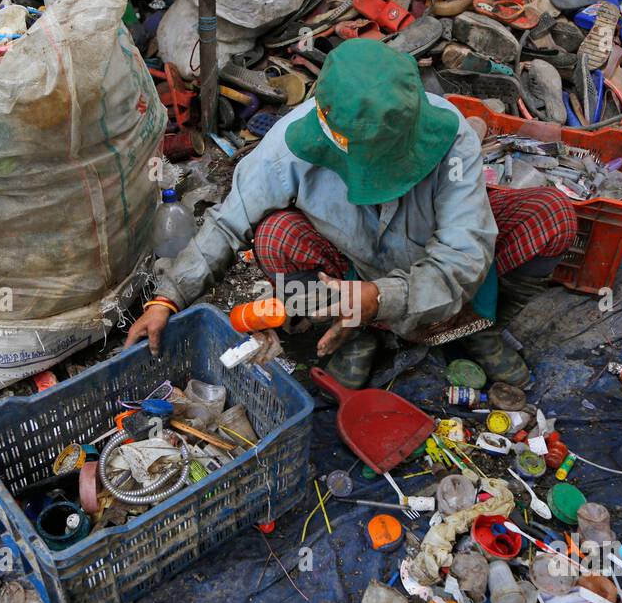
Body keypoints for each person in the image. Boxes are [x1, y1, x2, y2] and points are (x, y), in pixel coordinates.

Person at [126, 38, 578, 390]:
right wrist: (168, 296)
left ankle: (475, 324)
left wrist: (380, 298)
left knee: (551, 214)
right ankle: (356, 334)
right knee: (275, 235)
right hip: (345, 275)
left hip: (434, 266)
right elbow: (227, 222)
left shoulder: (451, 135)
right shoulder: (289, 143)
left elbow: (463, 255)